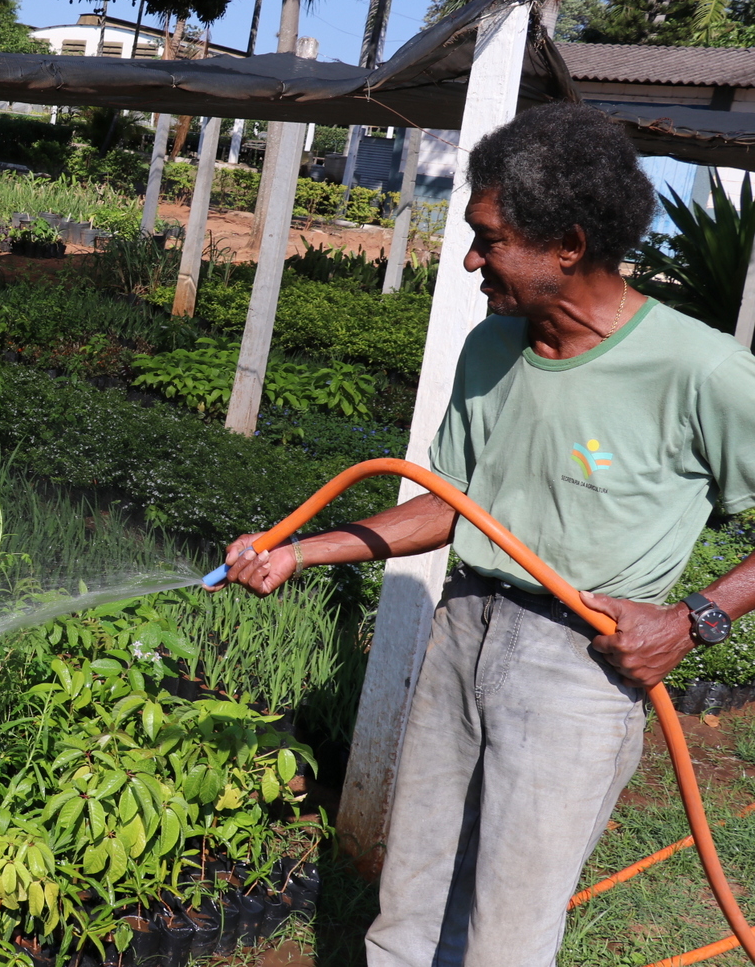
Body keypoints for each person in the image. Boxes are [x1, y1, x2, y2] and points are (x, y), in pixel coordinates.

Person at [215, 101, 755, 967]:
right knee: (410, 905)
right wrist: (301, 549)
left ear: (569, 245)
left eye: (489, 238)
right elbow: (451, 503)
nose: (469, 259)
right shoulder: (492, 345)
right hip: (461, 630)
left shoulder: (702, 370)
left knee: (505, 936)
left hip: (579, 666)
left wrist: (695, 620)